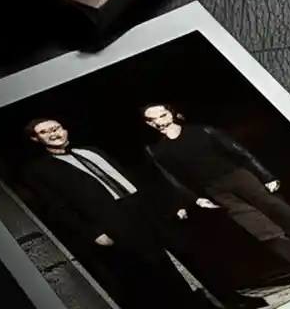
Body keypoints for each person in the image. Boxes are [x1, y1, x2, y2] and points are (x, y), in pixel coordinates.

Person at [141, 104, 290, 285]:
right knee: (262, 230)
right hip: (216, 191)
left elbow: (240, 152)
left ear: (172, 114)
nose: (160, 121)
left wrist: (266, 176)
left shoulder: (202, 130)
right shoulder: (157, 150)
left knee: (287, 216)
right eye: (153, 119)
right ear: (149, 124)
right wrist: (195, 199)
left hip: (241, 178)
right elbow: (172, 178)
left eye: (163, 115)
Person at [19, 118, 208, 309]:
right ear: (35, 139)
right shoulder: (40, 170)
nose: (53, 134)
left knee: (184, 255)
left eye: (56, 128)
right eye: (44, 132)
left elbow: (130, 178)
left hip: (144, 209)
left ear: (65, 129)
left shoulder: (91, 150)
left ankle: (207, 300)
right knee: (155, 272)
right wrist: (93, 232)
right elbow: (57, 208)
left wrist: (167, 205)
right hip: (115, 219)